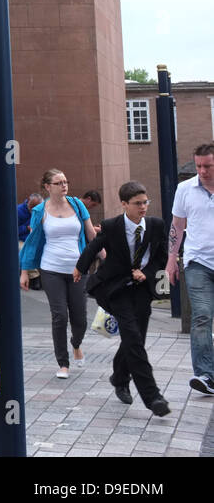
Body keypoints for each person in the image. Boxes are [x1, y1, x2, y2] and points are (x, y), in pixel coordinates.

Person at [75, 181, 169, 416]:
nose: (143, 207)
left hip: (141, 289)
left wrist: (145, 274)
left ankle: (119, 377)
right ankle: (153, 397)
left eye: (145, 202)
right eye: (138, 204)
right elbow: (94, 246)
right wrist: (80, 269)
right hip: (116, 289)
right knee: (134, 339)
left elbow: (161, 257)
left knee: (135, 339)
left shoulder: (156, 225)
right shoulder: (112, 226)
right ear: (124, 204)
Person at [20, 169, 94, 378]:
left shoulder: (78, 205)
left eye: (65, 181)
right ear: (47, 187)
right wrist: (25, 271)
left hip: (77, 268)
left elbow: (90, 234)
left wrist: (105, 254)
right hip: (51, 268)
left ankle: (76, 344)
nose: (64, 185)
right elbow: (32, 243)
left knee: (80, 318)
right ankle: (63, 363)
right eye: (58, 182)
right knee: (60, 316)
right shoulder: (40, 211)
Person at [169, 142, 214, 397]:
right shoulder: (185, 189)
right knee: (202, 315)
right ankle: (205, 375)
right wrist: (171, 259)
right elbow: (177, 226)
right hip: (198, 262)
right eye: (198, 166)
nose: (203, 171)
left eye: (208, 165)